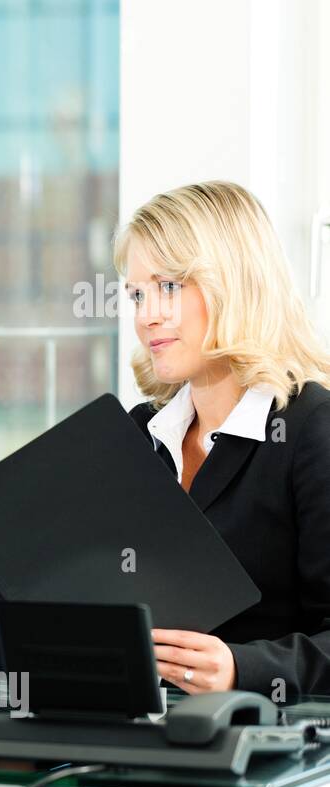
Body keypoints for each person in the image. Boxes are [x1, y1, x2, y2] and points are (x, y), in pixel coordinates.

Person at [117, 181, 330, 698]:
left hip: (271, 756)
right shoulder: (140, 431)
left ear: (234, 283)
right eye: (137, 294)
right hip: (141, 737)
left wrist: (242, 668)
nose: (148, 316)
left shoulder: (311, 428)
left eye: (169, 287)